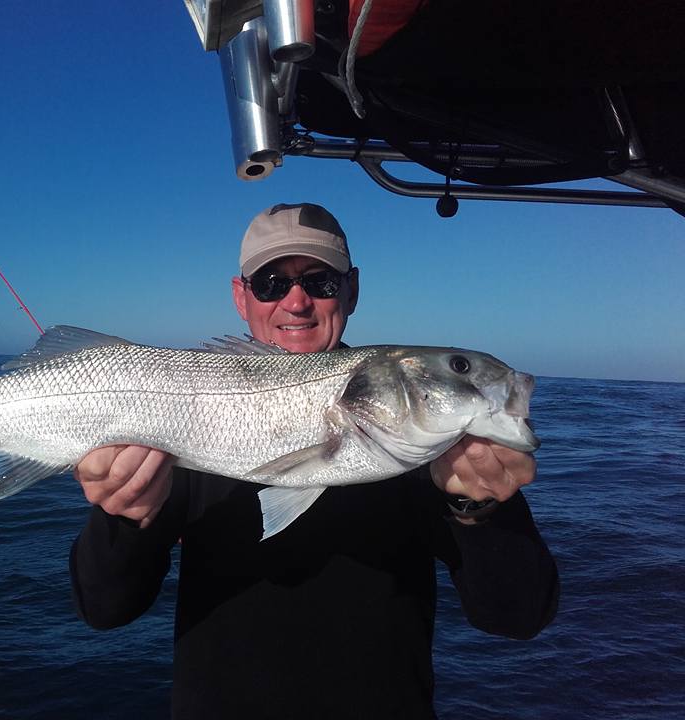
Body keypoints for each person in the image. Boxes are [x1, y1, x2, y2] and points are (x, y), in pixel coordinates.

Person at [69, 203, 559, 719]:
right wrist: (121, 518)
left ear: (351, 290)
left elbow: (519, 617)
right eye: (271, 283)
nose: (296, 302)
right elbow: (104, 610)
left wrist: (479, 509)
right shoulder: (185, 416)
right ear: (242, 297)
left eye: (320, 282)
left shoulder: (434, 452)